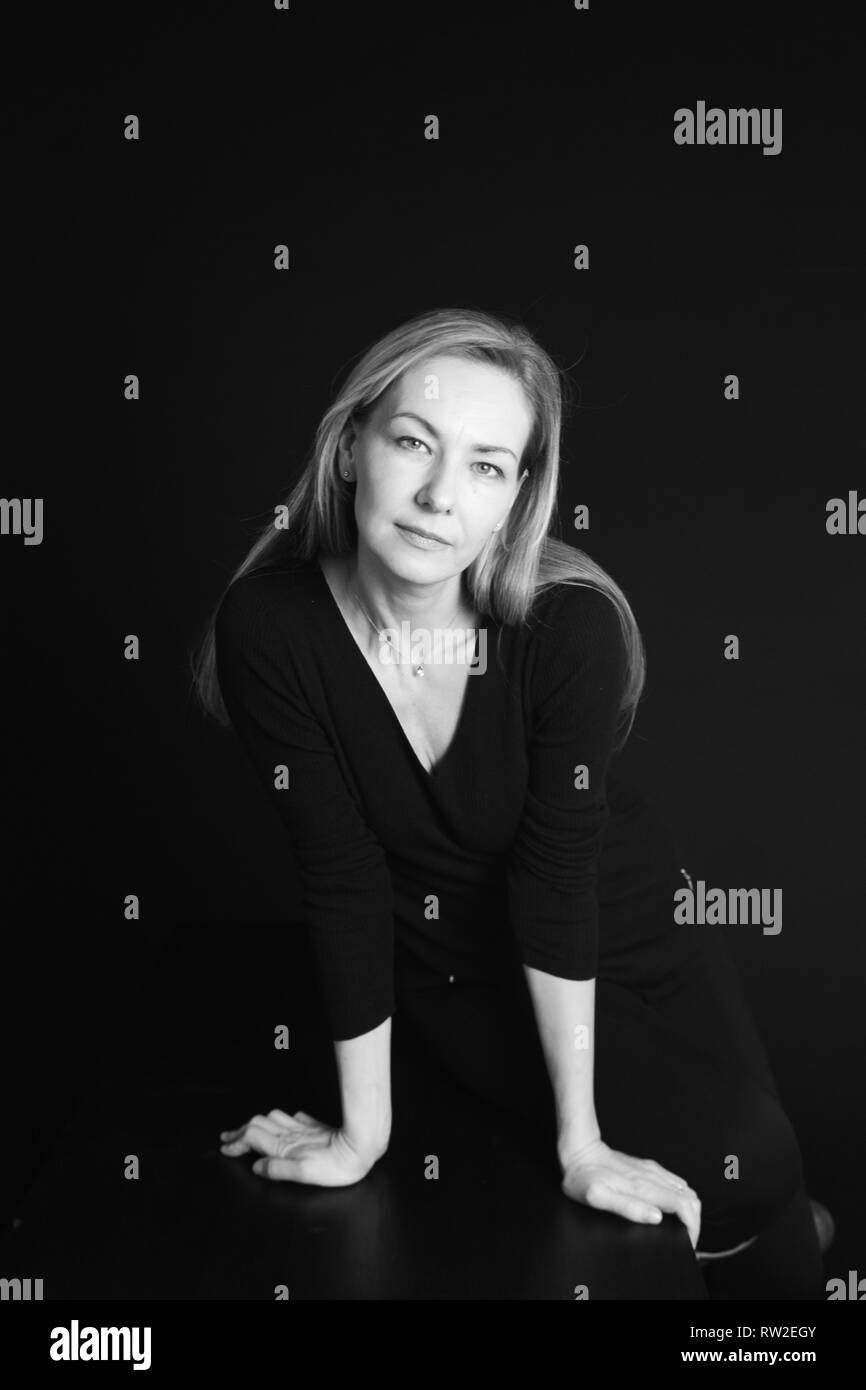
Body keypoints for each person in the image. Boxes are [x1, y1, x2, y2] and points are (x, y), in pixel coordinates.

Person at [190, 306, 827, 1299]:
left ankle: (787, 1279)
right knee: (739, 1164)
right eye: (413, 442)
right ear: (351, 447)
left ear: (516, 496)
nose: (440, 495)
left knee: (769, 1177)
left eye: (486, 465)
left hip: (617, 914)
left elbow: (556, 874)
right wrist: (362, 1136)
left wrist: (582, 1142)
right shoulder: (272, 627)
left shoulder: (566, 626)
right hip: (454, 959)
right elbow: (341, 873)